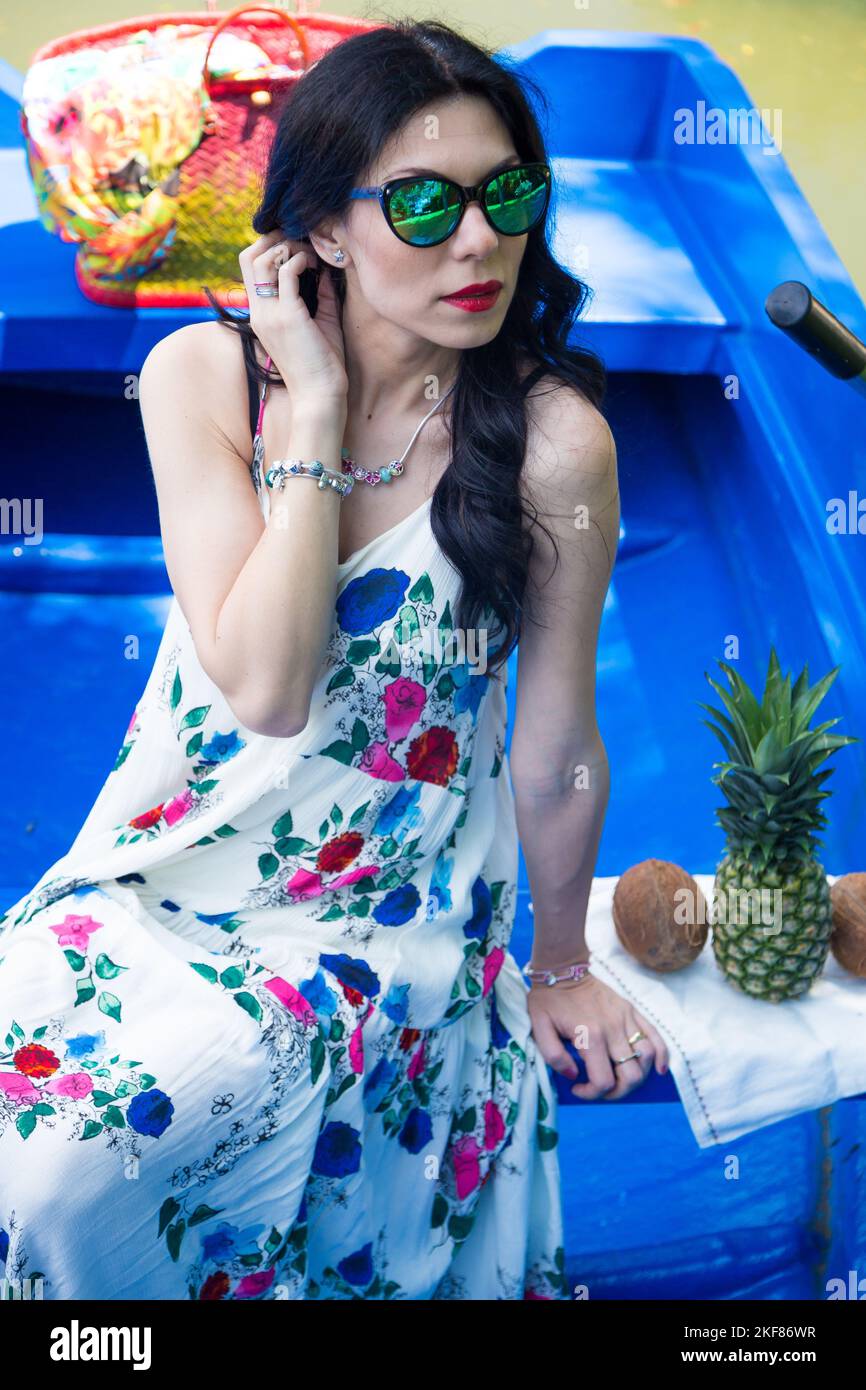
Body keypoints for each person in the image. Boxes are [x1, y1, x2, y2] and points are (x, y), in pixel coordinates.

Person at [0, 18, 667, 1301]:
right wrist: (307, 408)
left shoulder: (551, 442)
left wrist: (563, 966)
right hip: (162, 868)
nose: (477, 242)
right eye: (421, 205)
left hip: (381, 918)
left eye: (506, 196)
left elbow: (556, 743)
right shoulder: (199, 376)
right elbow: (263, 680)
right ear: (316, 230)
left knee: (74, 1168)